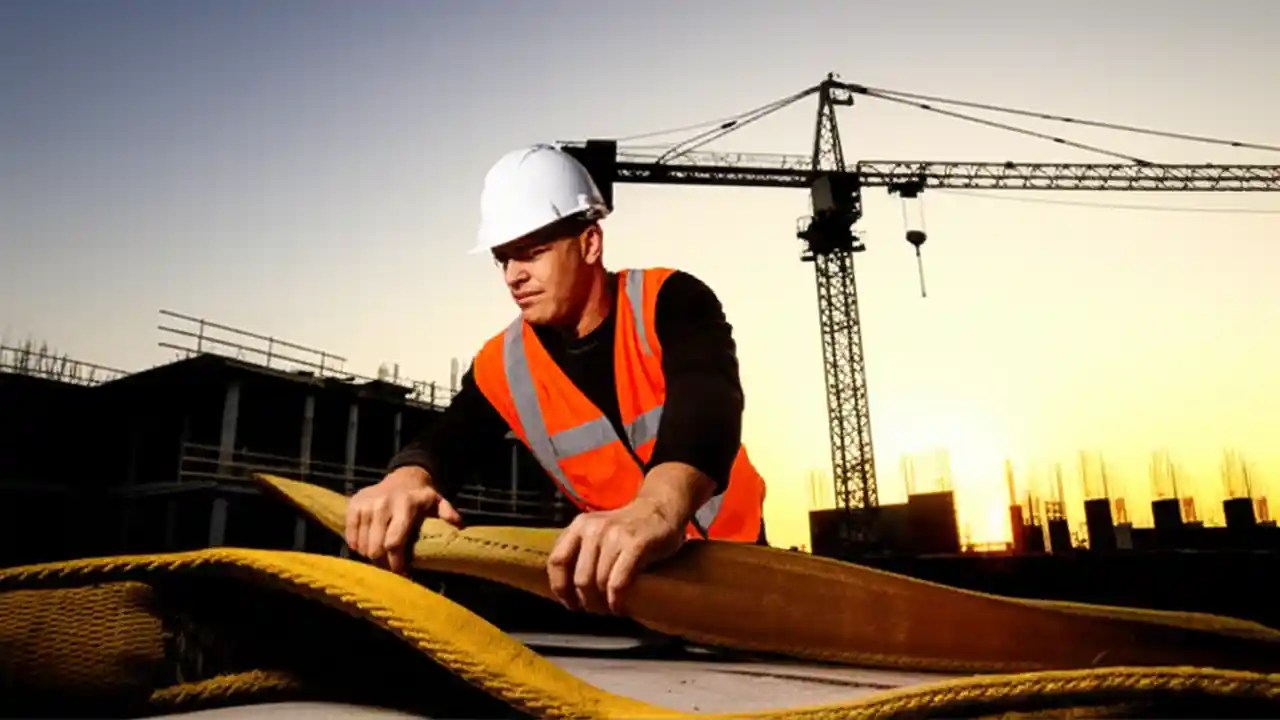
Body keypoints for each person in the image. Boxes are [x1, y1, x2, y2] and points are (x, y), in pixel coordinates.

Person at [345, 143, 767, 615]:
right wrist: (406, 478)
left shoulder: (666, 300)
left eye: (533, 253)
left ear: (590, 243)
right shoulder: (503, 363)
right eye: (503, 258)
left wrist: (658, 509)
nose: (513, 276)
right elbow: (450, 437)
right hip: (620, 576)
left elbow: (709, 403)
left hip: (737, 560)